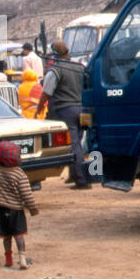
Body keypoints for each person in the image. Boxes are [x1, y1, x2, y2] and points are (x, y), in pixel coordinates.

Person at [38, 41, 90, 188]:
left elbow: (46, 92)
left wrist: (38, 108)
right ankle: (75, 175)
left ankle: (81, 180)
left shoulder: (55, 70)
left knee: (73, 145)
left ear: (55, 54)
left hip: (66, 110)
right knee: (79, 143)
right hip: (83, 110)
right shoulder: (80, 67)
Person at [0, 140, 38, 269]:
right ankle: (22, 259)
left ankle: (8, 259)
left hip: (1, 209)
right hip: (16, 210)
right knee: (19, 236)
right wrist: (32, 208)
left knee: (6, 236)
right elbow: (26, 194)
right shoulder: (19, 174)